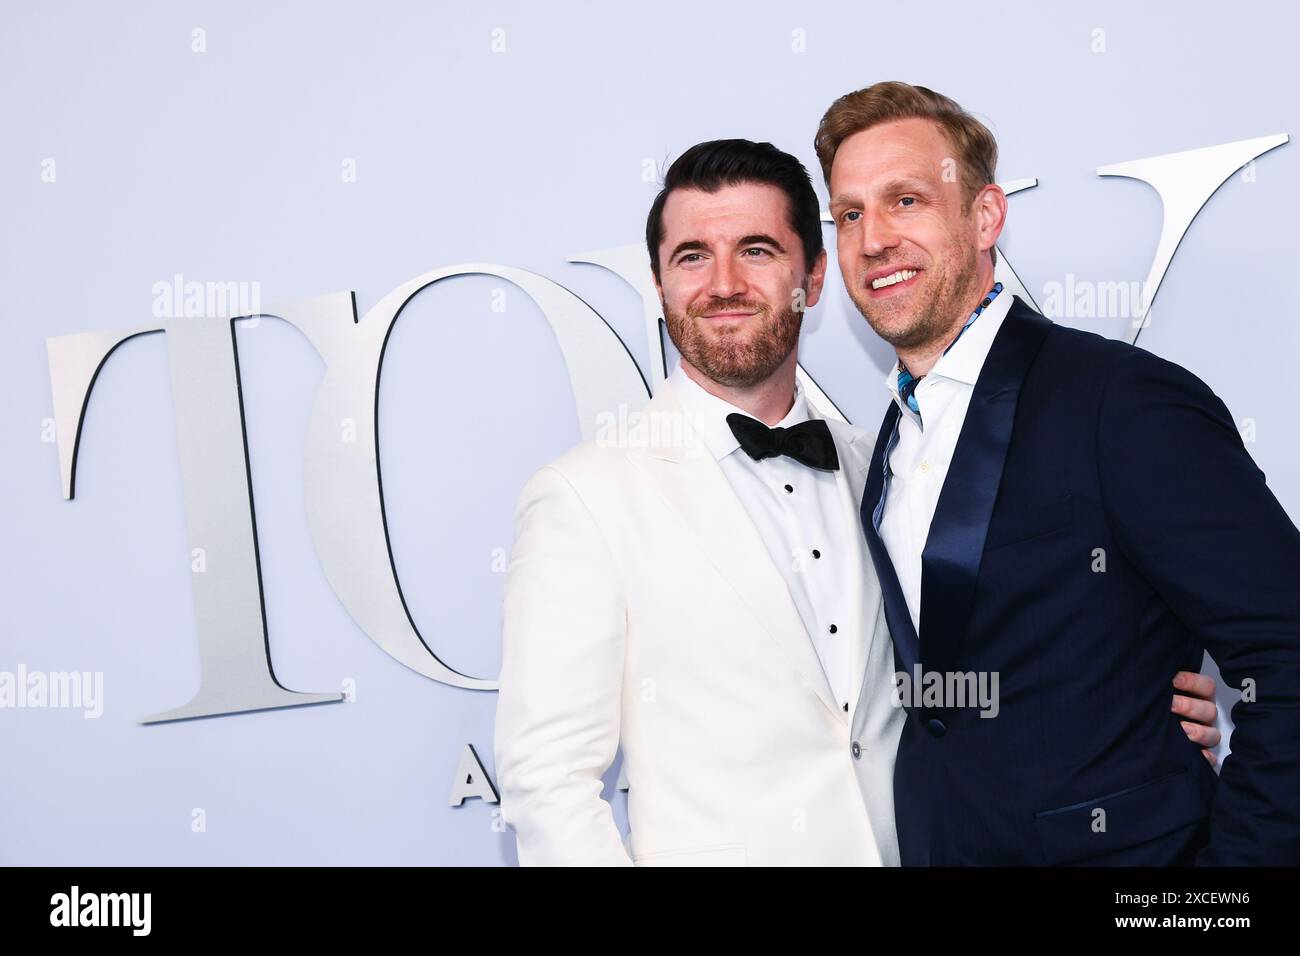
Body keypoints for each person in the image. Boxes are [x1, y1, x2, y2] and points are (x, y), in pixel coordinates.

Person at [493, 138, 1218, 866]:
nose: (723, 284)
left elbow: (990, 671)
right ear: (658, 283)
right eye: (691, 256)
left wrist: (1141, 716)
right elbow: (547, 782)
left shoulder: (887, 467)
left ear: (812, 276)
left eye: (756, 250)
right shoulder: (583, 496)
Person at [817, 81, 1299, 865]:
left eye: (906, 200)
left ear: (984, 217)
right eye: (849, 214)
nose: (872, 239)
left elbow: (1287, 652)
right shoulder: (889, 445)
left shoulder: (1120, 400)